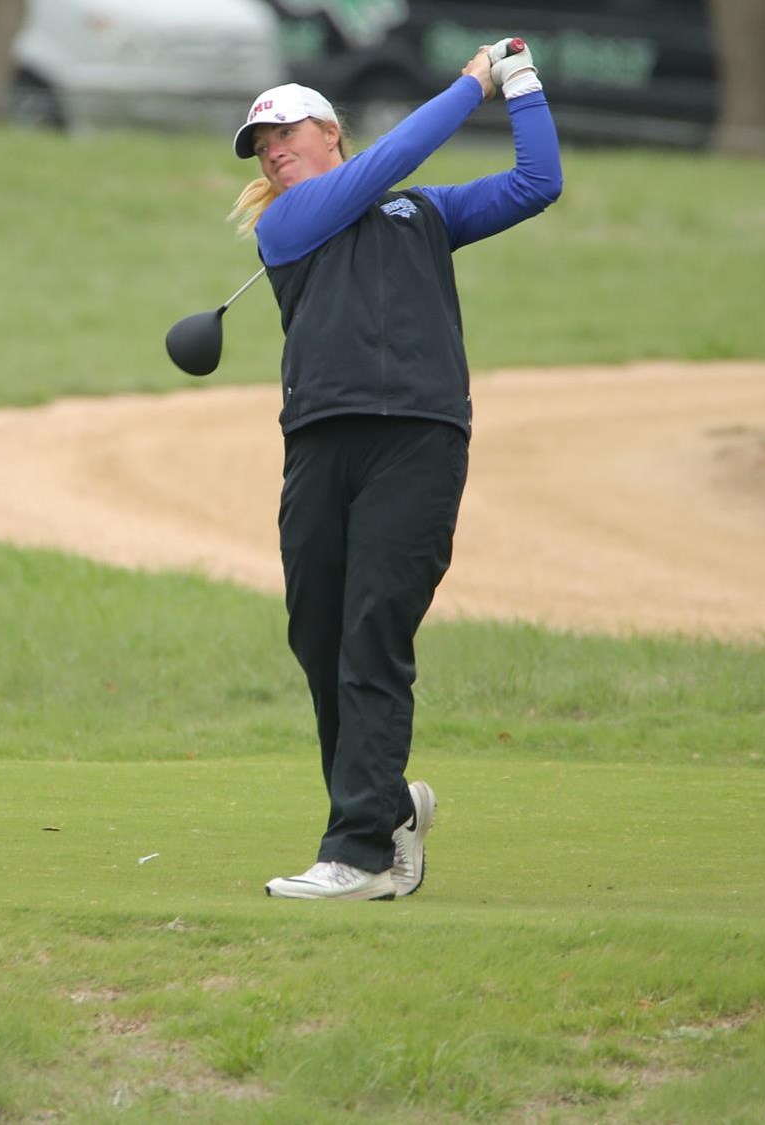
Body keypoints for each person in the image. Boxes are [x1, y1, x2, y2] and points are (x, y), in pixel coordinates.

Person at [228, 40, 563, 901]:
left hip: (418, 439)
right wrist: (467, 84)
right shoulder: (286, 224)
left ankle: (359, 852)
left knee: (373, 631)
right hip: (320, 441)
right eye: (261, 145)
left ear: (329, 130)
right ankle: (382, 807)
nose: (271, 150)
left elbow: (536, 183)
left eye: (285, 131)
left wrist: (518, 83)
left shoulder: (425, 215)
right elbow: (392, 158)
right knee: (318, 637)